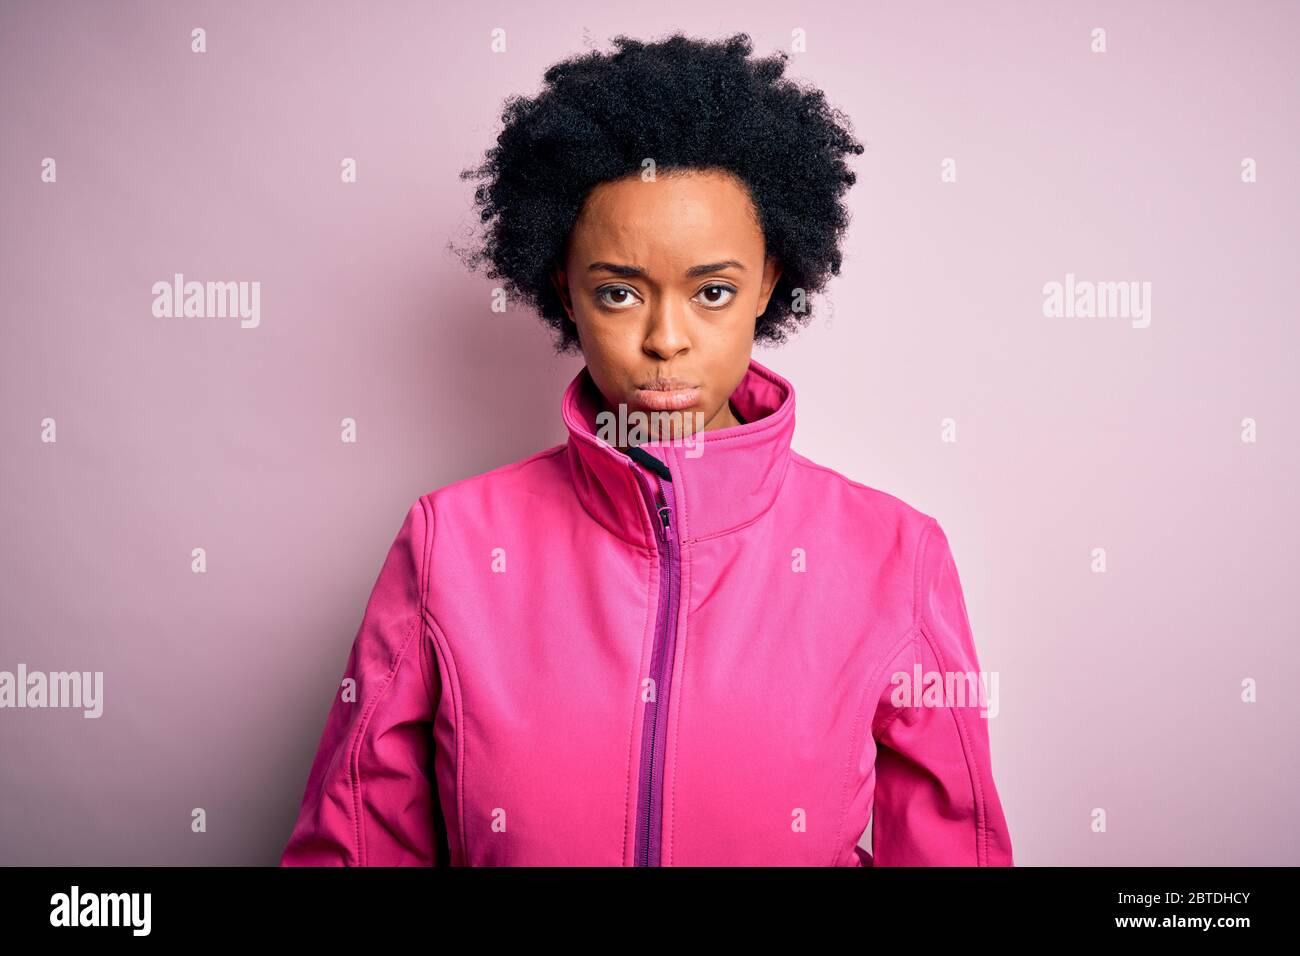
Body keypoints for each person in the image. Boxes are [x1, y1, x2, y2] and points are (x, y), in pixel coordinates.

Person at [280, 31, 1014, 867]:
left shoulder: (895, 557)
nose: (666, 339)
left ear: (770, 280)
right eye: (619, 291)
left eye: (713, 291)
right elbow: (355, 842)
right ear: (564, 285)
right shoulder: (450, 544)